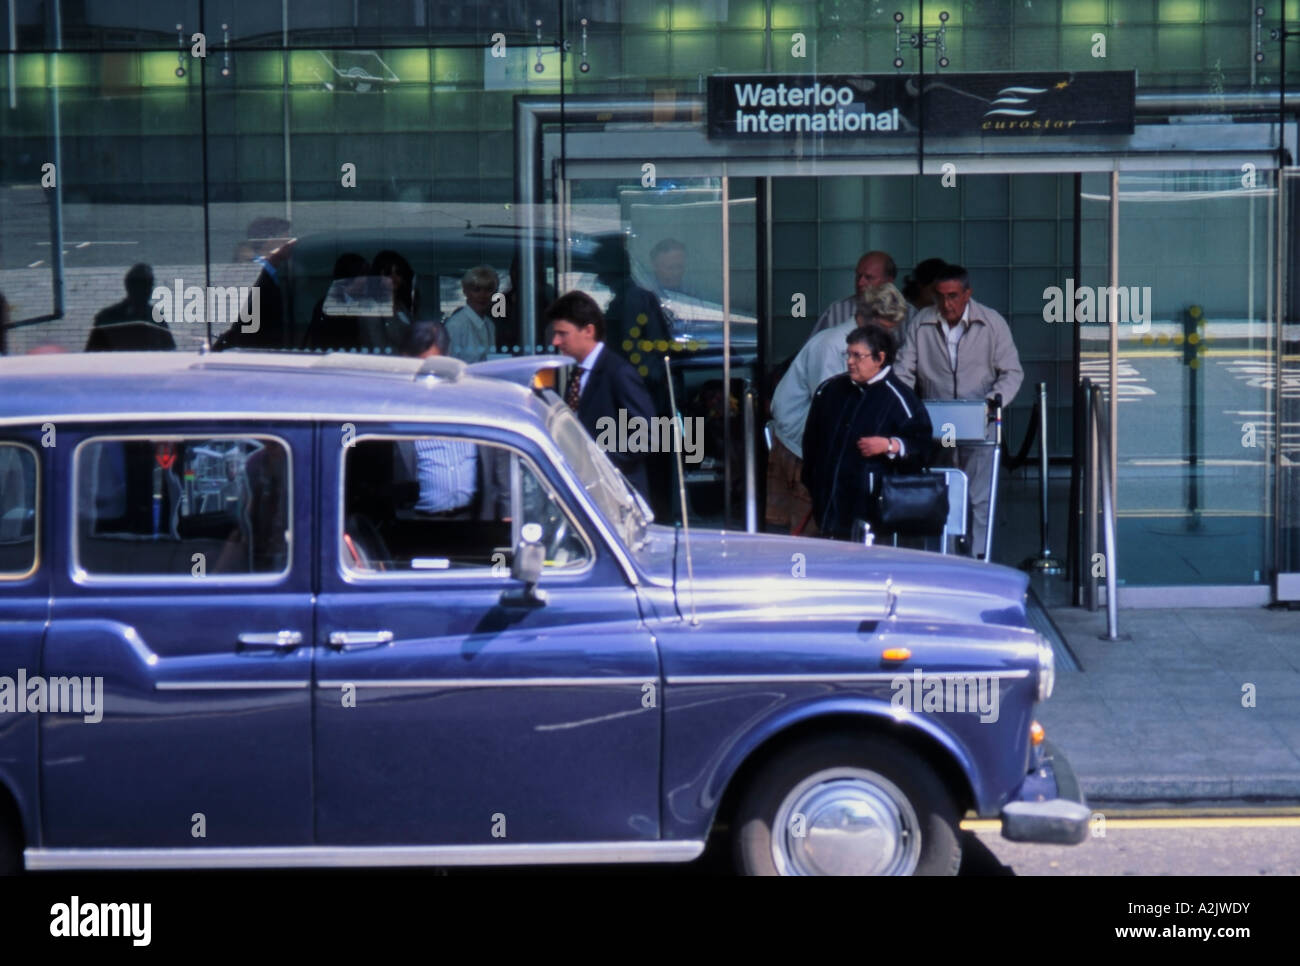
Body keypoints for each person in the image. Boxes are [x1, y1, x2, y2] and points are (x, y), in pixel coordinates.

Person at [894, 263, 1023, 557]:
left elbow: (1012, 372)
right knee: (944, 492)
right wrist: (908, 406)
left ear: (968, 294)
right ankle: (947, 558)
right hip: (938, 424)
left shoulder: (992, 324)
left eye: (953, 296)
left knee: (980, 497)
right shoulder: (921, 323)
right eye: (940, 296)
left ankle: (980, 557)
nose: (946, 303)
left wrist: (992, 402)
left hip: (980, 423)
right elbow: (904, 369)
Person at [767, 283, 909, 535]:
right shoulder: (833, 345)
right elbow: (831, 411)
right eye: (885, 329)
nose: (888, 337)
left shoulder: (855, 345)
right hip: (800, 445)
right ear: (867, 320)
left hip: (813, 442)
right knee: (808, 528)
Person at [801, 325, 933, 542]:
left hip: (873, 513)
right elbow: (811, 442)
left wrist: (890, 445)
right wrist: (814, 483)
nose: (850, 361)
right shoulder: (829, 390)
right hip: (827, 506)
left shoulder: (901, 399)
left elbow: (923, 448)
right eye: (848, 354)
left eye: (857, 356)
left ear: (879, 358)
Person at [545, 290, 656, 502]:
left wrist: (598, 460)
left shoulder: (618, 373)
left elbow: (647, 435)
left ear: (588, 330)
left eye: (563, 333)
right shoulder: (577, 373)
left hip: (618, 494)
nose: (556, 341)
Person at [400, 320, 480, 518]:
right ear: (405, 359)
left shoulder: (469, 401)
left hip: (470, 520)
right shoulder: (395, 407)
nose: (428, 374)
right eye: (420, 364)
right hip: (416, 522)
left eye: (434, 364)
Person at [85, 263, 176, 351]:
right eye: (141, 285)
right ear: (129, 286)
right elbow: (93, 357)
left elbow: (169, 352)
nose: (147, 290)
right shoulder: (106, 317)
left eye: (149, 285)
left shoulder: (156, 316)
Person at [809, 250, 898, 335]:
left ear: (888, 281)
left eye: (869, 277)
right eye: (858, 276)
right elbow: (815, 347)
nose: (860, 283)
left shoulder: (907, 314)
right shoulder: (836, 310)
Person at [445, 266, 499, 362]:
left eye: (488, 290)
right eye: (476, 290)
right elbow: (448, 364)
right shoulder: (455, 325)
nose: (482, 295)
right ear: (465, 291)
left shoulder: (490, 325)